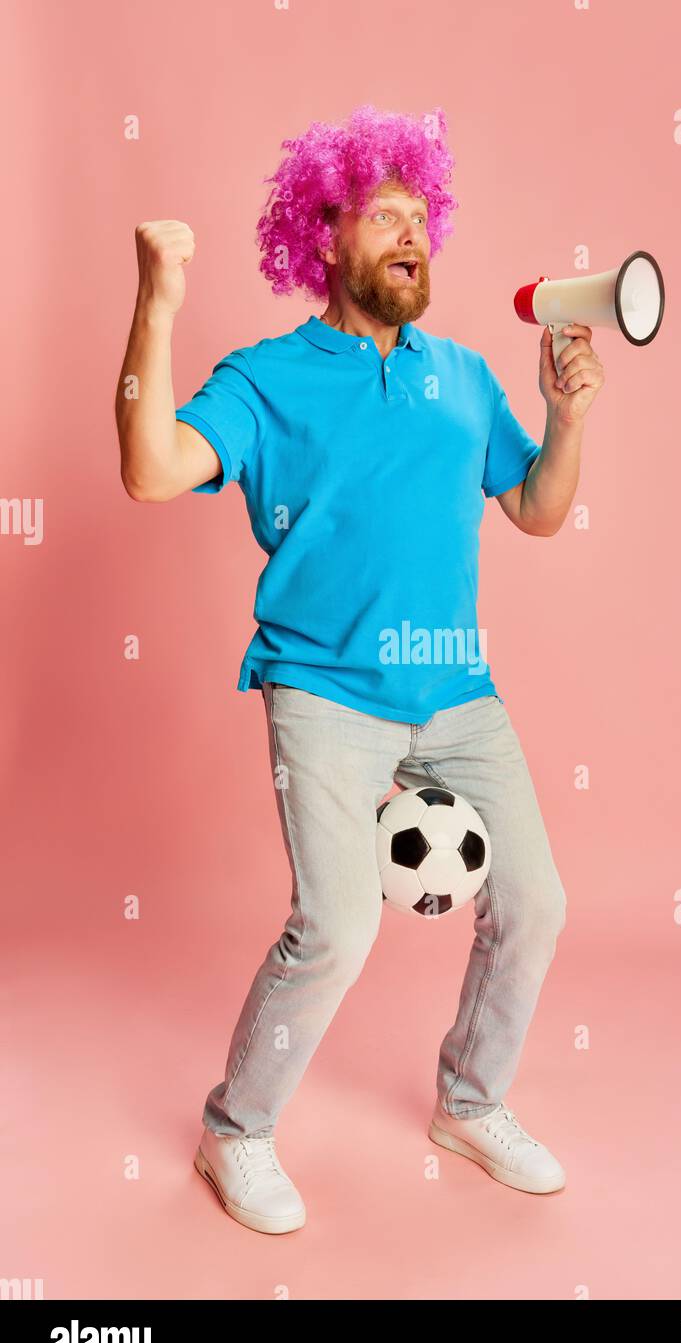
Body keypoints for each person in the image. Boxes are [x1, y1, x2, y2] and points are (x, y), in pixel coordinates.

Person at [115, 104, 605, 1235]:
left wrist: (564, 418)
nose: (409, 234)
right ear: (321, 236)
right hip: (323, 690)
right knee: (337, 923)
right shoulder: (266, 378)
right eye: (382, 214)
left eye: (419, 216)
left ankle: (470, 1103)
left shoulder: (468, 377)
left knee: (536, 901)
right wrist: (158, 306)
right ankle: (234, 1130)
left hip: (458, 694)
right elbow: (149, 468)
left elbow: (534, 509)